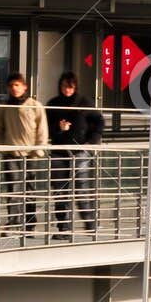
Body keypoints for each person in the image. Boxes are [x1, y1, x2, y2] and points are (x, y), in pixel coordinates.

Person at [45, 71, 104, 238]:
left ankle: (90, 225)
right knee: (60, 190)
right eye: (64, 86)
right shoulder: (53, 104)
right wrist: (58, 128)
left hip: (80, 152)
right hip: (59, 152)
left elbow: (99, 121)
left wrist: (92, 141)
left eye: (70, 86)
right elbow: (46, 128)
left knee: (81, 189)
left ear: (75, 86)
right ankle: (64, 229)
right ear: (60, 86)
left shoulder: (84, 103)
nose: (67, 90)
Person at [0, 73, 47, 234]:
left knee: (29, 189)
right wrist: (2, 147)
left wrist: (39, 150)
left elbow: (42, 130)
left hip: (30, 155)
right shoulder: (5, 107)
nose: (14, 88)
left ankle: (29, 223)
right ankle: (14, 222)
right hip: (11, 154)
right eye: (11, 86)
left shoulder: (35, 106)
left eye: (17, 85)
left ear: (24, 87)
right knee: (13, 190)